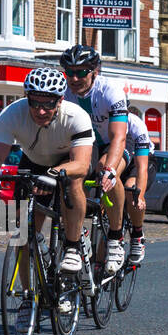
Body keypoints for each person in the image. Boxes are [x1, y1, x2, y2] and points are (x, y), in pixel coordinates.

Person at [0, 67, 94, 327]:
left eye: (48, 104)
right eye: (35, 103)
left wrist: (54, 173)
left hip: (67, 163)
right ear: (27, 98)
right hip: (34, 162)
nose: (40, 111)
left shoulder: (76, 116)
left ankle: (73, 246)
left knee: (73, 181)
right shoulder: (12, 114)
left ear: (60, 100)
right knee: (22, 231)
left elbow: (83, 164)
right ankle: (29, 297)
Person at [59, 44, 128, 273]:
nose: (75, 78)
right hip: (82, 144)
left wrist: (110, 168)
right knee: (71, 180)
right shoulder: (64, 93)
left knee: (107, 171)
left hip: (110, 145)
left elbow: (118, 137)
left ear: (94, 72)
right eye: (70, 72)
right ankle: (77, 236)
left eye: (81, 72)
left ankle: (116, 238)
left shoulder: (111, 91)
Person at [120, 112, 153, 264]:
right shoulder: (99, 120)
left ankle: (137, 234)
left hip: (139, 161)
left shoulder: (136, 124)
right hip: (118, 160)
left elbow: (142, 168)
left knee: (131, 188)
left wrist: (138, 196)